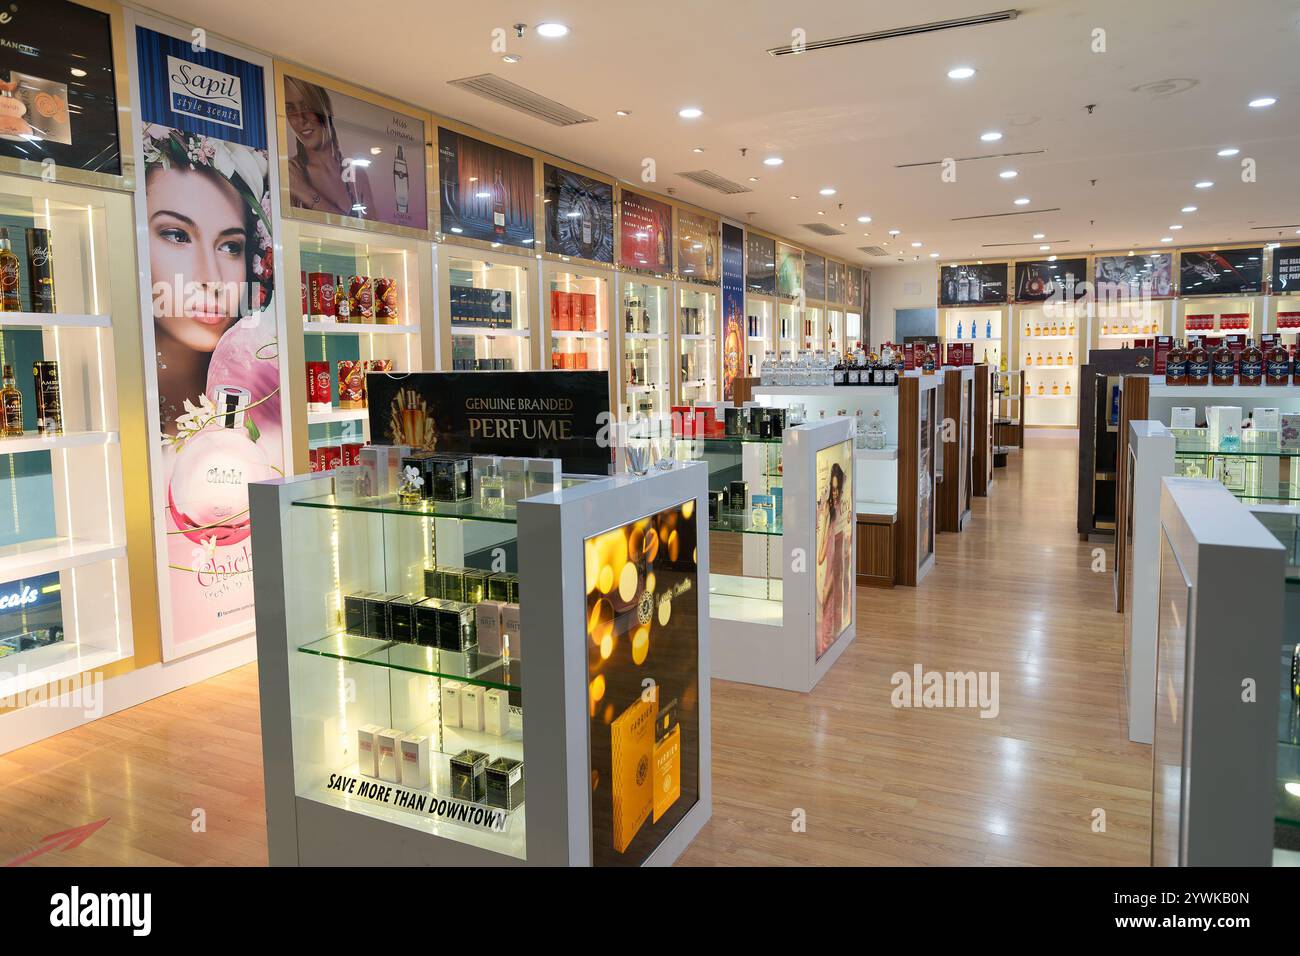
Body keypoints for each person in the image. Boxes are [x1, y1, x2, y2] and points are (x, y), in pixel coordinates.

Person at [285, 76, 375, 218]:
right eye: (290, 109)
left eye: (306, 106)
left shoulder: (356, 174)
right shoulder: (290, 173)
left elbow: (371, 237)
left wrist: (307, 193)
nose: (301, 119)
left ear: (324, 108)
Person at [816, 461, 849, 656]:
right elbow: (821, 555)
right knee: (828, 610)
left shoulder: (839, 511)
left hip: (835, 572)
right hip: (829, 570)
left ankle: (828, 647)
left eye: (837, 488)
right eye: (833, 488)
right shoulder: (832, 511)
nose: (834, 492)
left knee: (832, 608)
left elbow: (834, 554)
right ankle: (827, 646)